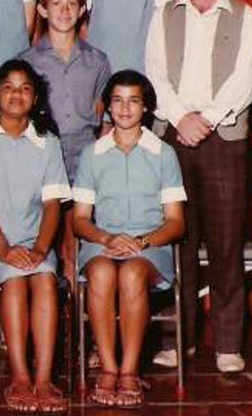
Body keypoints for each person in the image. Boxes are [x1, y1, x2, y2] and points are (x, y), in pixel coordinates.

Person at [144, 0, 252, 374]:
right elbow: (154, 73)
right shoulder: (164, 14)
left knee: (226, 243)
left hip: (224, 139)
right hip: (172, 137)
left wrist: (205, 118)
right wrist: (180, 118)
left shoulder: (247, 17)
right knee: (179, 242)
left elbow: (247, 77)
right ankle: (181, 340)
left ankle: (228, 343)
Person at [71, 70, 186, 408]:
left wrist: (143, 242)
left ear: (146, 107)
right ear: (107, 106)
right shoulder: (92, 154)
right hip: (101, 243)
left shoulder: (163, 153)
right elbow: (79, 220)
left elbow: (176, 222)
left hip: (150, 246)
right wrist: (106, 237)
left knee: (132, 272)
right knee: (105, 272)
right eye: (117, 101)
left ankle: (129, 370)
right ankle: (107, 368)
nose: (124, 109)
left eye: (133, 101)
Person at [0, 60, 70, 413]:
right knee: (13, 276)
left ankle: (43, 379)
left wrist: (41, 248)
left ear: (35, 97)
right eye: (8, 87)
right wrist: (5, 249)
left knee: (42, 277)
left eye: (25, 88)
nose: (16, 94)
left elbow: (53, 204)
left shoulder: (47, 142)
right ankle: (20, 377)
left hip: (34, 239)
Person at [18, 0, 111, 283]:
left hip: (83, 160)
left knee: (76, 247)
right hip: (42, 163)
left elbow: (105, 120)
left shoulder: (97, 61)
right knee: (43, 247)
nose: (64, 11)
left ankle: (75, 324)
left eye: (73, 4)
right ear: (42, 10)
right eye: (56, 4)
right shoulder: (28, 62)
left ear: (83, 10)